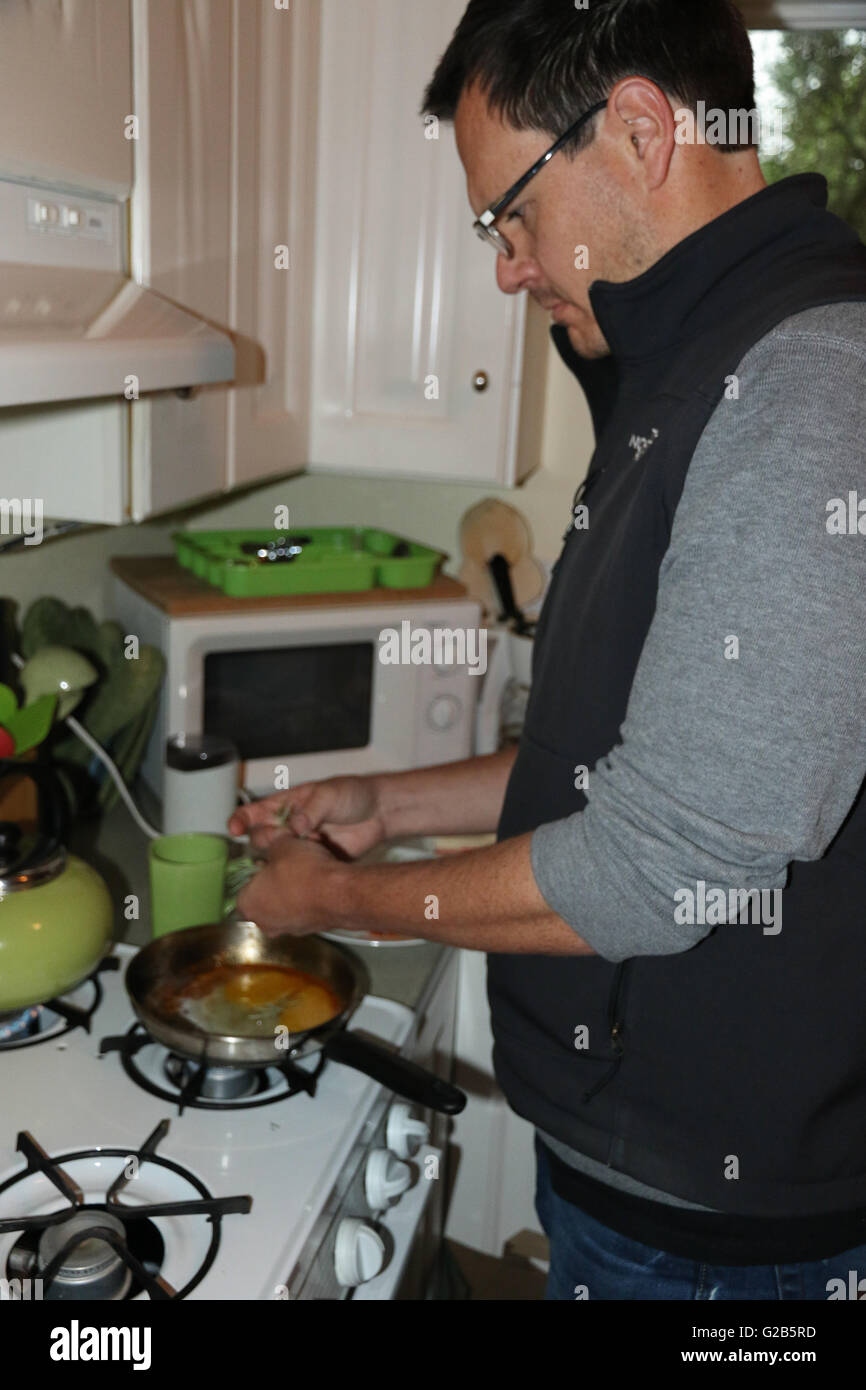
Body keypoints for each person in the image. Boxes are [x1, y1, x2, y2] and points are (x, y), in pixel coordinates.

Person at [230, 0, 866, 1301]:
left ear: (636, 129)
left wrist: (337, 903)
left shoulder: (798, 388)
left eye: (508, 214)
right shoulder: (684, 366)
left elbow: (658, 861)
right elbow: (633, 758)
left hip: (716, 1241)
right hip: (655, 1191)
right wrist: (390, 804)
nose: (505, 269)